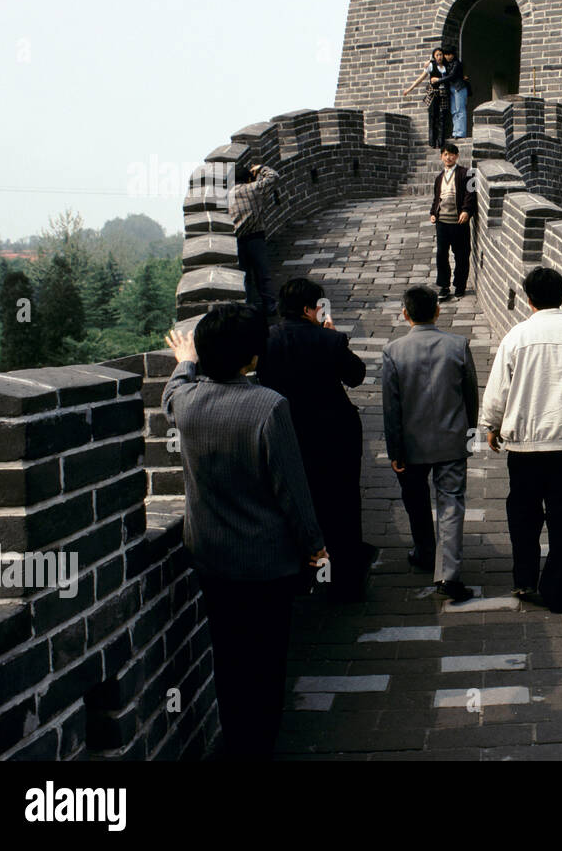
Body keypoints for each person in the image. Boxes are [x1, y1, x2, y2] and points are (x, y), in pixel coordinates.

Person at [162, 304, 326, 760]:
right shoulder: (268, 406)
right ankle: (260, 748)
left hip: (212, 561)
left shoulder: (186, 403)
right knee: (267, 664)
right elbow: (291, 489)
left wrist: (186, 360)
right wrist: (315, 546)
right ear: (251, 357)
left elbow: (171, 394)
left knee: (229, 662)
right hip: (267, 564)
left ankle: (238, 747)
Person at [480, 267, 562, 613]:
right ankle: (558, 592)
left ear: (528, 298)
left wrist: (491, 424)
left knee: (523, 515)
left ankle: (524, 579)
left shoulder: (517, 336)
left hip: (525, 445)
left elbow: (500, 386)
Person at [255, 277, 373, 603]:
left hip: (287, 435)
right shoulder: (327, 340)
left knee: (295, 504)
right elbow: (357, 376)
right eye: (319, 306)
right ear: (309, 309)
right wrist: (333, 337)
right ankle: (344, 583)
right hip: (335, 437)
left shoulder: (266, 342)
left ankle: (302, 579)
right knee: (342, 507)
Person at [381, 285, 478, 603]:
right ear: (438, 311)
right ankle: (448, 574)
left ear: (405, 314)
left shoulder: (393, 351)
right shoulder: (458, 345)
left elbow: (391, 407)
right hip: (451, 441)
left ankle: (424, 551)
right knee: (451, 504)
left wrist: (395, 450)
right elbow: (470, 397)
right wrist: (470, 435)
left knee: (416, 500)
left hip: (410, 446)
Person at [227, 163, 279, 317]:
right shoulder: (253, 189)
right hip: (256, 238)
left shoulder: (225, 196)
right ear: (247, 178)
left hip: (236, 241)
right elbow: (274, 177)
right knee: (263, 275)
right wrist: (261, 168)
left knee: (245, 277)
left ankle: (248, 311)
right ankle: (270, 307)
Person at [429, 142, 476, 301]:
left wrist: (467, 210)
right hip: (442, 222)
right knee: (441, 254)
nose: (448, 157)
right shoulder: (439, 177)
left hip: (459, 222)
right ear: (442, 157)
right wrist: (433, 213)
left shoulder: (468, 173)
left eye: (452, 154)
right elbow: (437, 198)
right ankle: (444, 286)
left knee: (461, 254)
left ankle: (460, 285)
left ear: (457, 156)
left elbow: (471, 194)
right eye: (445, 154)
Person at [402, 47, 451, 149]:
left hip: (443, 95)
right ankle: (432, 142)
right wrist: (409, 89)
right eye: (437, 55)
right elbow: (420, 78)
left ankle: (441, 142)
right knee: (433, 117)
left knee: (442, 117)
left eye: (441, 55)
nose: (439, 57)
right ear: (434, 56)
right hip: (434, 94)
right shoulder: (431, 66)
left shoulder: (446, 67)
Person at [439, 43, 469, 140]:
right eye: (446, 54)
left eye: (450, 54)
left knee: (460, 110)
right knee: (454, 111)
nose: (448, 56)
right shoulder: (446, 64)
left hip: (459, 88)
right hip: (452, 89)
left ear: (453, 54)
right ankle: (455, 131)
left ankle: (461, 132)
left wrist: (438, 80)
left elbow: (452, 76)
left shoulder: (457, 63)